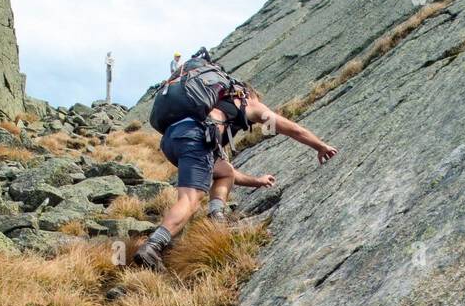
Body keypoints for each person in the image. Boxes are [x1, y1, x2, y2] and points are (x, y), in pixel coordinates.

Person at [134, 84, 337, 271]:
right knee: (190, 200)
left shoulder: (211, 108)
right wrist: (321, 146)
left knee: (225, 171)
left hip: (171, 140)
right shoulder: (249, 104)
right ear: (248, 94)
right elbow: (293, 129)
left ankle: (216, 217)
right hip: (194, 137)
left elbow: (227, 174)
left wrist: (258, 181)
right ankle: (153, 246)